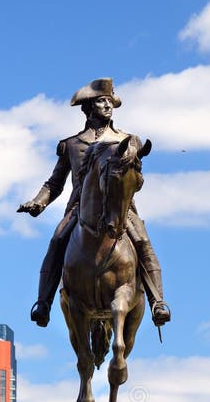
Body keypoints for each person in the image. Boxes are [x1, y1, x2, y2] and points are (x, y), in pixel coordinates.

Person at [18, 78, 171, 328]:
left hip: (119, 209)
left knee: (143, 242)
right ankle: (43, 302)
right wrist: (38, 202)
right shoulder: (72, 144)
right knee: (57, 242)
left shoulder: (128, 140)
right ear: (88, 108)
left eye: (110, 102)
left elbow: (135, 176)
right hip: (80, 209)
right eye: (102, 101)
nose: (108, 106)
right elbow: (55, 183)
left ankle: (157, 302)